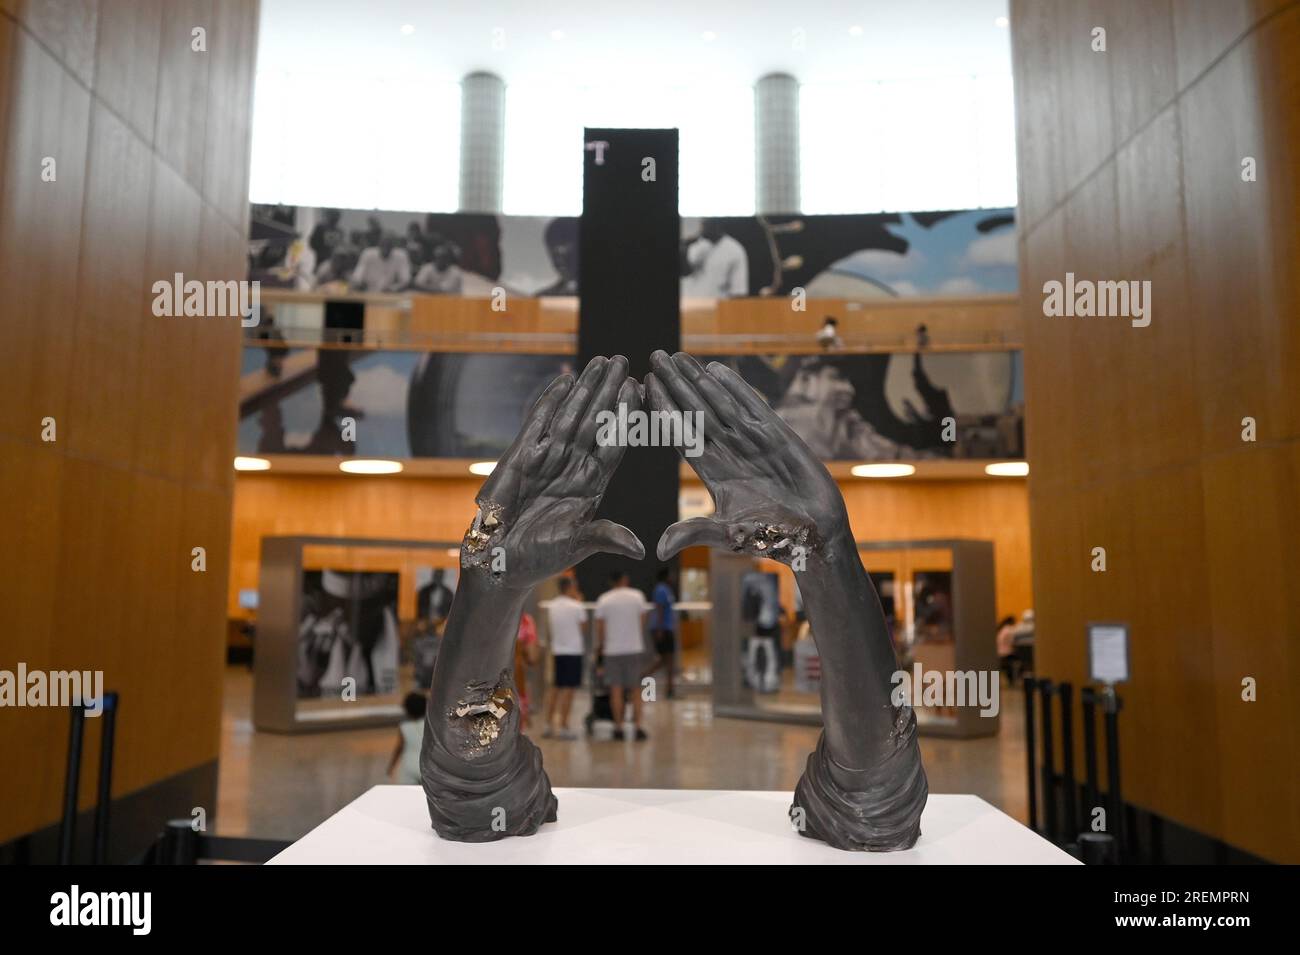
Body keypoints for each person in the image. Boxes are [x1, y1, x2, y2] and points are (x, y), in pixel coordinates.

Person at [594, 570, 649, 741]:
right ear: (625, 580)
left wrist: (601, 647)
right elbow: (642, 621)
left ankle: (618, 727)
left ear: (612, 582)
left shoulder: (604, 600)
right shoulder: (637, 596)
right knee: (636, 689)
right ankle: (638, 727)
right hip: (633, 649)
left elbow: (600, 628)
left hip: (612, 650)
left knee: (615, 690)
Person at [543, 577, 586, 739]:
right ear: (570, 587)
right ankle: (563, 726)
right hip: (573, 652)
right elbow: (582, 627)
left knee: (555, 687)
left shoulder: (553, 606)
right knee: (569, 689)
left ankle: (548, 724)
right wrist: (579, 600)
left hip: (558, 651)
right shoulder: (577, 606)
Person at [682, 218, 748, 297]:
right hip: (687, 306)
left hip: (719, 307)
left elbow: (738, 292)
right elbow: (685, 273)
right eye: (704, 220)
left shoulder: (734, 249)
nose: (707, 222)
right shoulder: (691, 245)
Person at [644, 567, 678, 698]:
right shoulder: (660, 589)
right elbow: (659, 609)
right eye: (671, 575)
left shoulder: (667, 590)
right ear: (665, 576)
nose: (673, 577)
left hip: (667, 628)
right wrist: (659, 629)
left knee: (667, 660)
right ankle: (642, 677)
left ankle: (670, 689)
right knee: (666, 660)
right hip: (662, 629)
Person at [388, 691, 427, 784]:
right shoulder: (430, 725)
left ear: (407, 709)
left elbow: (399, 748)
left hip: (409, 767)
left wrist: (391, 766)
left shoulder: (404, 727)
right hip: (428, 766)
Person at [514, 611, 540, 729]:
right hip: (515, 684)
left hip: (484, 688)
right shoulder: (524, 620)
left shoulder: (485, 615)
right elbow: (532, 657)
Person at [996, 615, 1018, 682]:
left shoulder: (1003, 629)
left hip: (999, 652)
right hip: (1006, 653)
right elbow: (1012, 642)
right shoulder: (1009, 630)